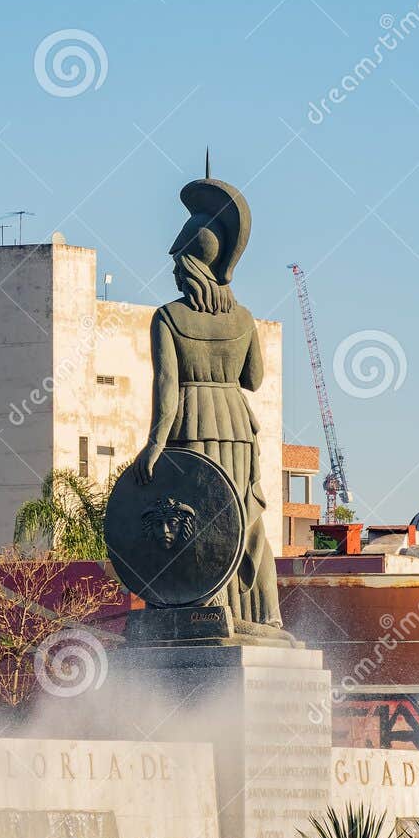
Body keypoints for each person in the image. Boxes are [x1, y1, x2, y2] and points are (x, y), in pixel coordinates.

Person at [135, 168, 287, 638]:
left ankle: (211, 616)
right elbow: (254, 379)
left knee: (197, 521)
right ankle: (265, 618)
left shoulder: (168, 317)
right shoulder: (244, 320)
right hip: (238, 430)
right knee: (245, 524)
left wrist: (154, 445)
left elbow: (166, 388)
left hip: (188, 427)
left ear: (188, 262)